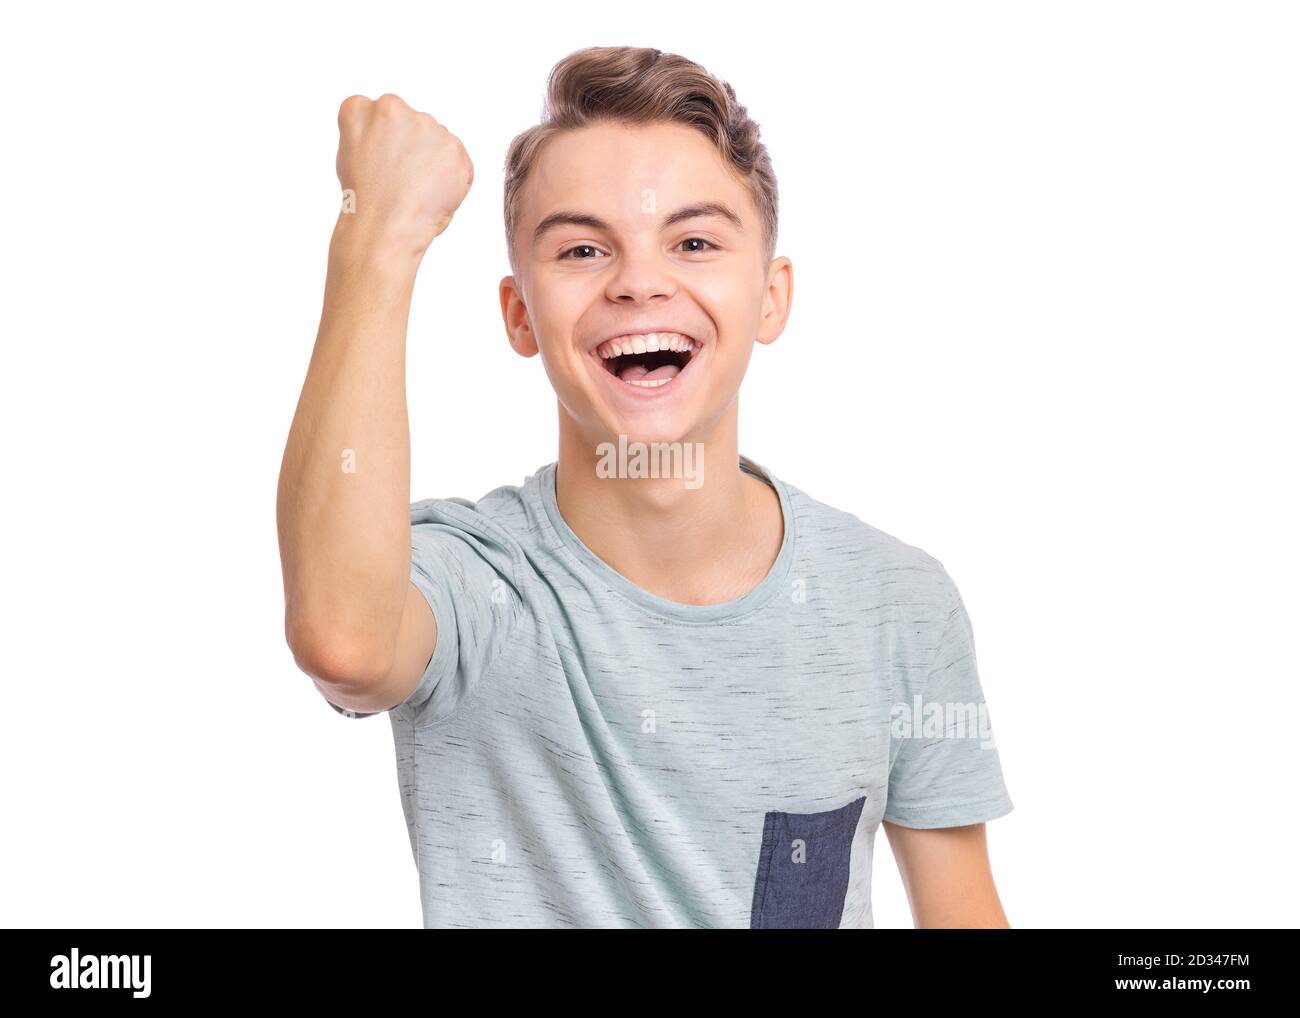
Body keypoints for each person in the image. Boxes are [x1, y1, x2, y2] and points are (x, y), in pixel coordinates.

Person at [276, 45, 1014, 929]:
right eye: (584, 249)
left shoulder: (897, 601)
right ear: (520, 315)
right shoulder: (480, 585)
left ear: (771, 297)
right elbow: (345, 643)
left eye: (694, 242)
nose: (639, 282)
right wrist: (377, 235)